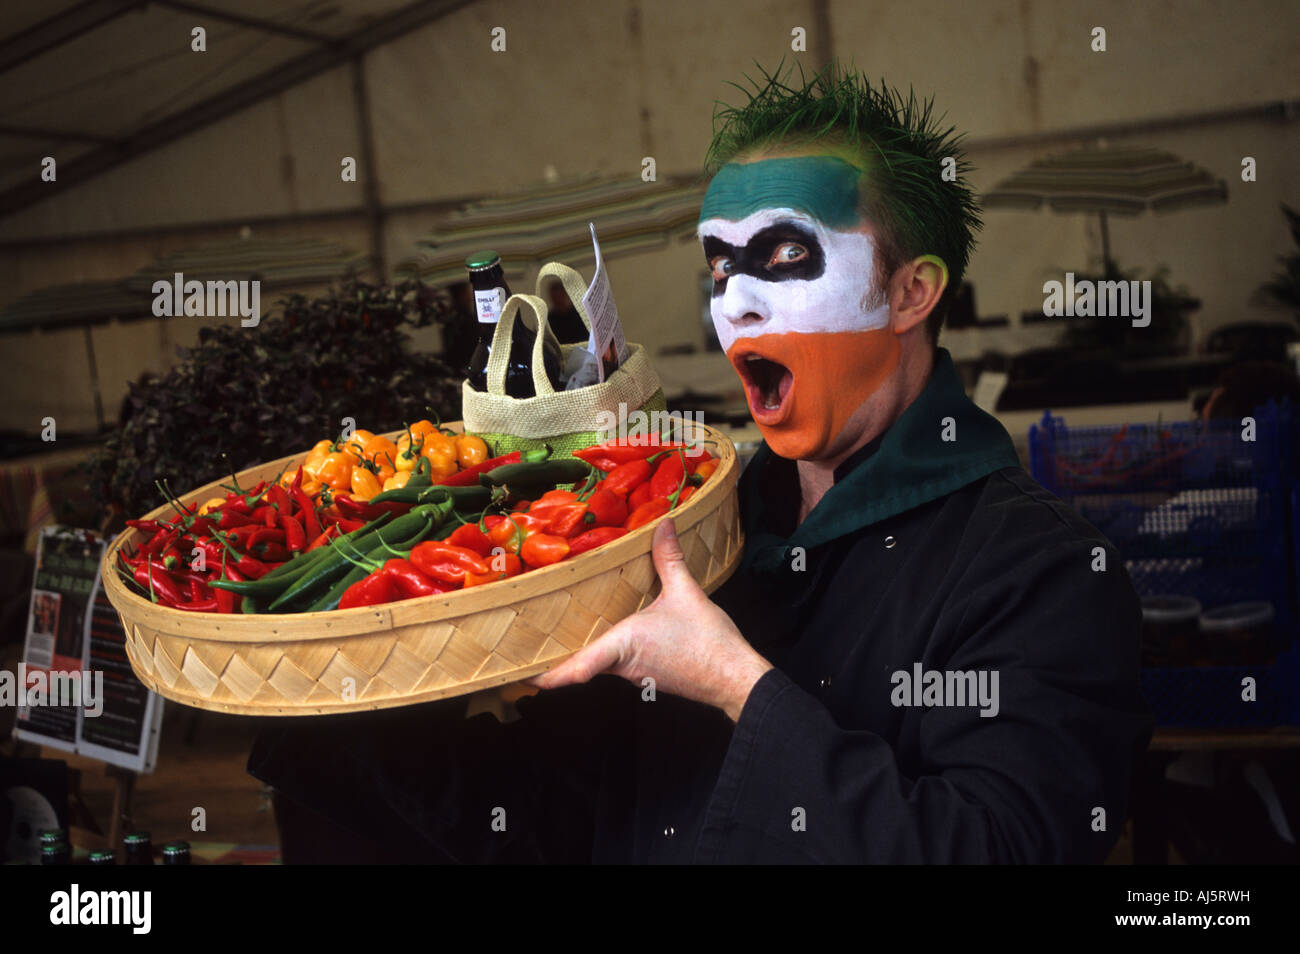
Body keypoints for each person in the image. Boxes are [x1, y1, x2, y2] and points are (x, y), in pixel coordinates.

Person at [248, 64, 1151, 864]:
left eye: (786, 255)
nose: (740, 305)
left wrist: (736, 686)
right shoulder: (677, 526)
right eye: (720, 266)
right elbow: (558, 813)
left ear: (911, 291)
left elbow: (992, 848)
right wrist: (330, 669)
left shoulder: (1047, 573)